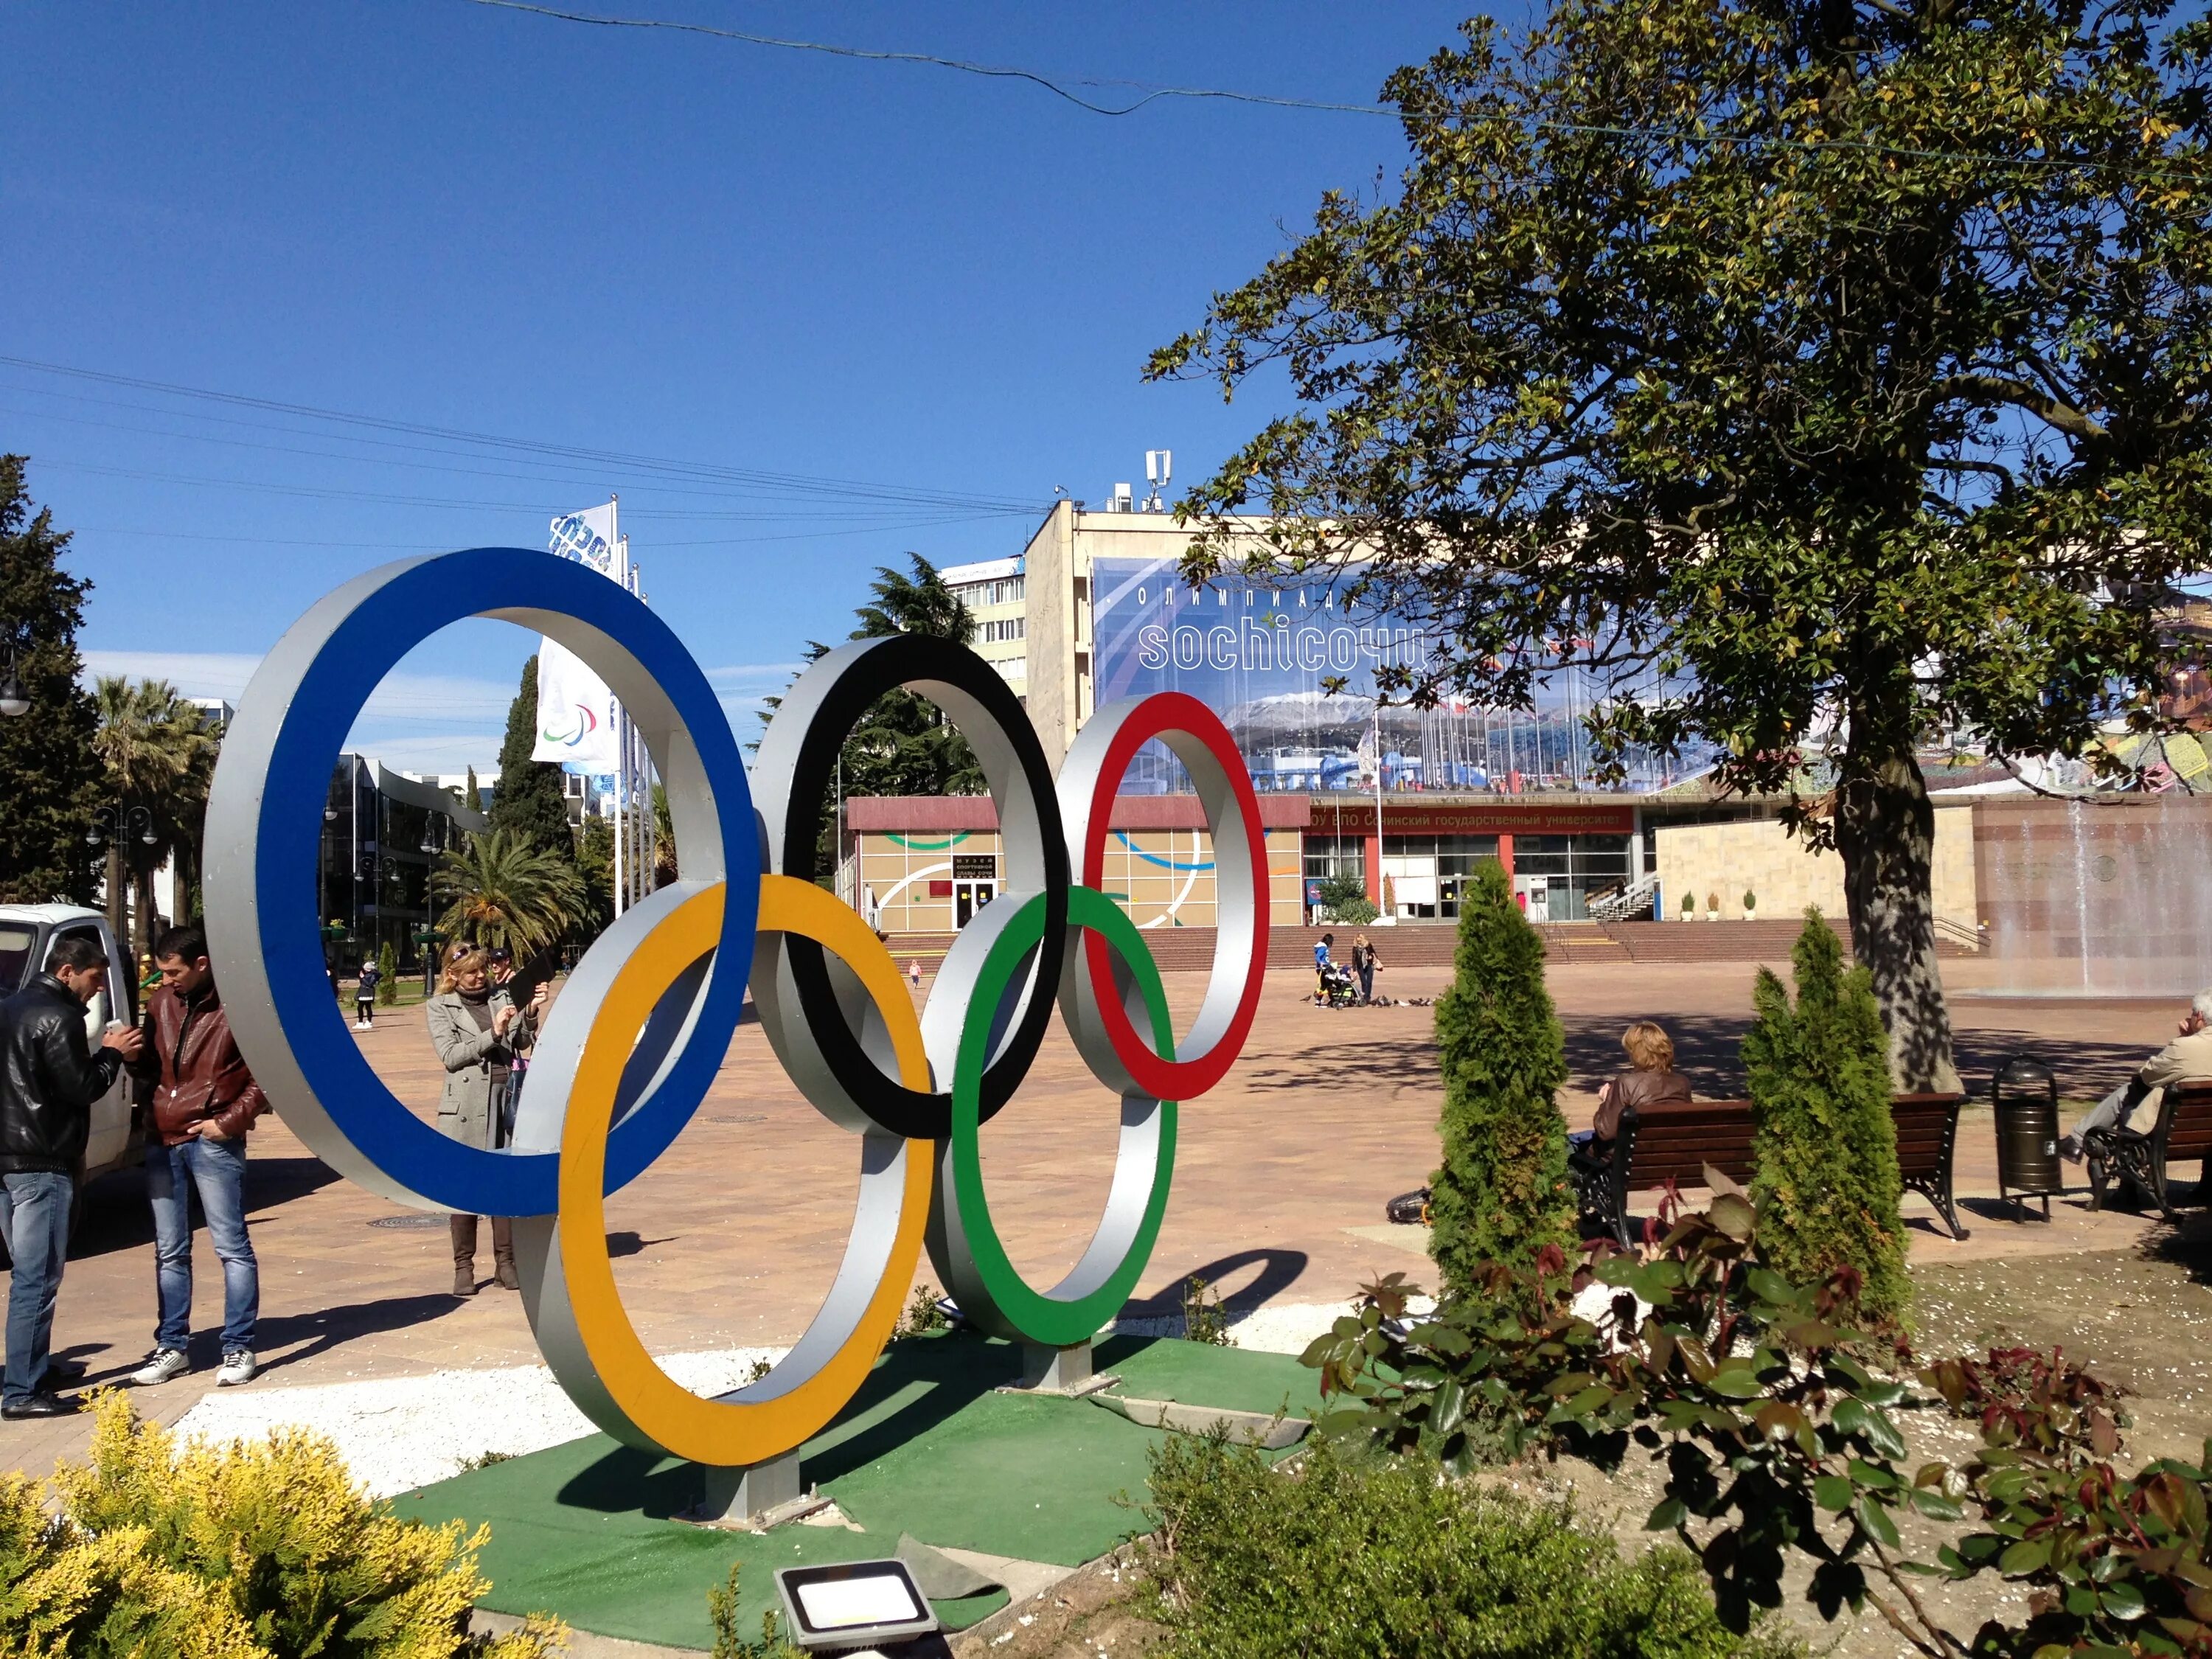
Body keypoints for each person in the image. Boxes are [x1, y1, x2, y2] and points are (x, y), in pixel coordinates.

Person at [0, 936, 142, 1417]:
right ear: (67, 972)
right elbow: (82, 1086)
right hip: (42, 1162)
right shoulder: (57, 1019)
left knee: (27, 1276)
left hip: (7, 1162)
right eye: (94, 979)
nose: (96, 989)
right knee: (36, 1281)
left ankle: (30, 1367)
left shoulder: (9, 1008)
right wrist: (112, 1052)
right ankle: (22, 1391)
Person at [128, 925, 266, 1390]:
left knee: (231, 1245)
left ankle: (238, 1345)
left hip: (211, 1138)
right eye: (161, 972)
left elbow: (266, 1076)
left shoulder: (238, 1007)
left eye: (174, 972)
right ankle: (172, 1346)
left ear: (201, 964)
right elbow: (151, 1067)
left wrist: (227, 1123)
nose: (166, 980)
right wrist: (130, 1058)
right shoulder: (160, 1004)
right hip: (162, 1136)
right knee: (170, 1250)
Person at [426, 947, 538, 1295]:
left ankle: (507, 1264)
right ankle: (464, 1267)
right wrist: (493, 1033)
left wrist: (530, 1010)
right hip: (466, 1106)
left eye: (482, 970)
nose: (480, 977)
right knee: (466, 1189)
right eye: (472, 972)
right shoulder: (439, 1007)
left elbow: (521, 1040)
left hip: (506, 1100)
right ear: (452, 975)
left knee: (503, 1184)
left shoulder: (499, 995)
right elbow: (451, 1056)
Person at [2061, 989, 2212, 1161]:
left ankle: (2077, 1140)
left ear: (2199, 1016)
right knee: (2131, 1093)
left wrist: (2185, 1038)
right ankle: (2076, 1140)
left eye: (2192, 1013)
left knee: (2129, 1094)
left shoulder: (2185, 1047)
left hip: (2169, 1133)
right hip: (2205, 1131)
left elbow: (2147, 1076)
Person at [1568, 1021, 1693, 1172]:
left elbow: (1605, 1132)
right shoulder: (1682, 1082)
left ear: (1637, 1053)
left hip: (1624, 1160)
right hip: (1667, 1156)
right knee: (1583, 1136)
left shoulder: (1626, 1083)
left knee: (1569, 1144)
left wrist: (1606, 1100)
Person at [1351, 935, 1382, 1004]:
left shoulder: (1368, 945)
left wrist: (1371, 956)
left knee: (1369, 982)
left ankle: (1368, 997)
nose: (1359, 942)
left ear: (1363, 940)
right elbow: (1354, 959)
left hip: (1369, 965)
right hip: (1360, 966)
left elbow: (1373, 953)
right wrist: (1354, 970)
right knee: (1364, 982)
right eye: (1357, 941)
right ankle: (1364, 998)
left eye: (1360, 941)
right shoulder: (1355, 948)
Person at [354, 957, 379, 1031]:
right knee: (360, 1007)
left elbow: (369, 984)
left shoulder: (373, 975)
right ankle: (360, 1022)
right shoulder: (366, 974)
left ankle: (369, 1022)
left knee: (368, 1007)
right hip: (362, 992)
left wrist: (363, 978)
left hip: (368, 992)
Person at [1313, 933, 1336, 1005]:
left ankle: (1332, 999)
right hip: (1323, 969)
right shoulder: (1323, 947)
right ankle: (1318, 1001)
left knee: (1328, 984)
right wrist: (1321, 963)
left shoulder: (1324, 947)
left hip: (1325, 967)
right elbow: (1317, 957)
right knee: (1324, 985)